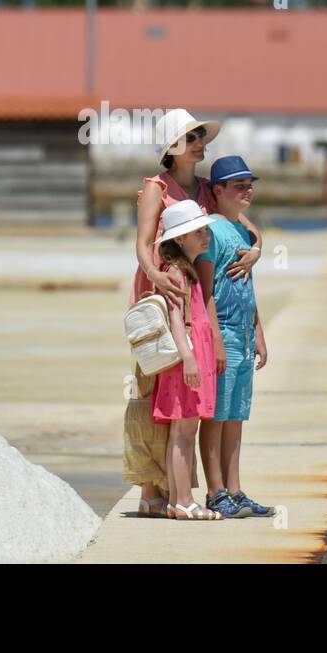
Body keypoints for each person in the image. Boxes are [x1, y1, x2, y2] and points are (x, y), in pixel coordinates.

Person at [122, 109, 261, 517]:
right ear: (172, 148)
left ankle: (174, 491)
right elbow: (144, 243)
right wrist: (153, 277)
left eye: (201, 136)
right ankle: (151, 490)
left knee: (182, 400)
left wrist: (258, 248)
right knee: (152, 393)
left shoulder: (204, 187)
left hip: (196, 297)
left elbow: (243, 224)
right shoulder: (155, 187)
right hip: (162, 290)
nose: (200, 142)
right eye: (191, 137)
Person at [197, 156, 272, 519]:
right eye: (239, 186)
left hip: (244, 333)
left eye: (250, 184)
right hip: (222, 331)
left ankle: (236, 488)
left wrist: (258, 332)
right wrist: (215, 340)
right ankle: (215, 490)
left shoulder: (243, 232)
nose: (248, 190)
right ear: (218, 190)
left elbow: (248, 287)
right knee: (215, 415)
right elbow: (206, 291)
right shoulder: (210, 230)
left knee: (236, 416)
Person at [149, 200, 223, 520]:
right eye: (198, 232)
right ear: (180, 239)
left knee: (183, 430)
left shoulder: (185, 271)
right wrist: (189, 358)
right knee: (184, 431)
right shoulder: (177, 273)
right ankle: (183, 501)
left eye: (205, 230)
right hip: (187, 355)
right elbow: (177, 319)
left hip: (193, 352)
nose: (205, 236)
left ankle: (178, 500)